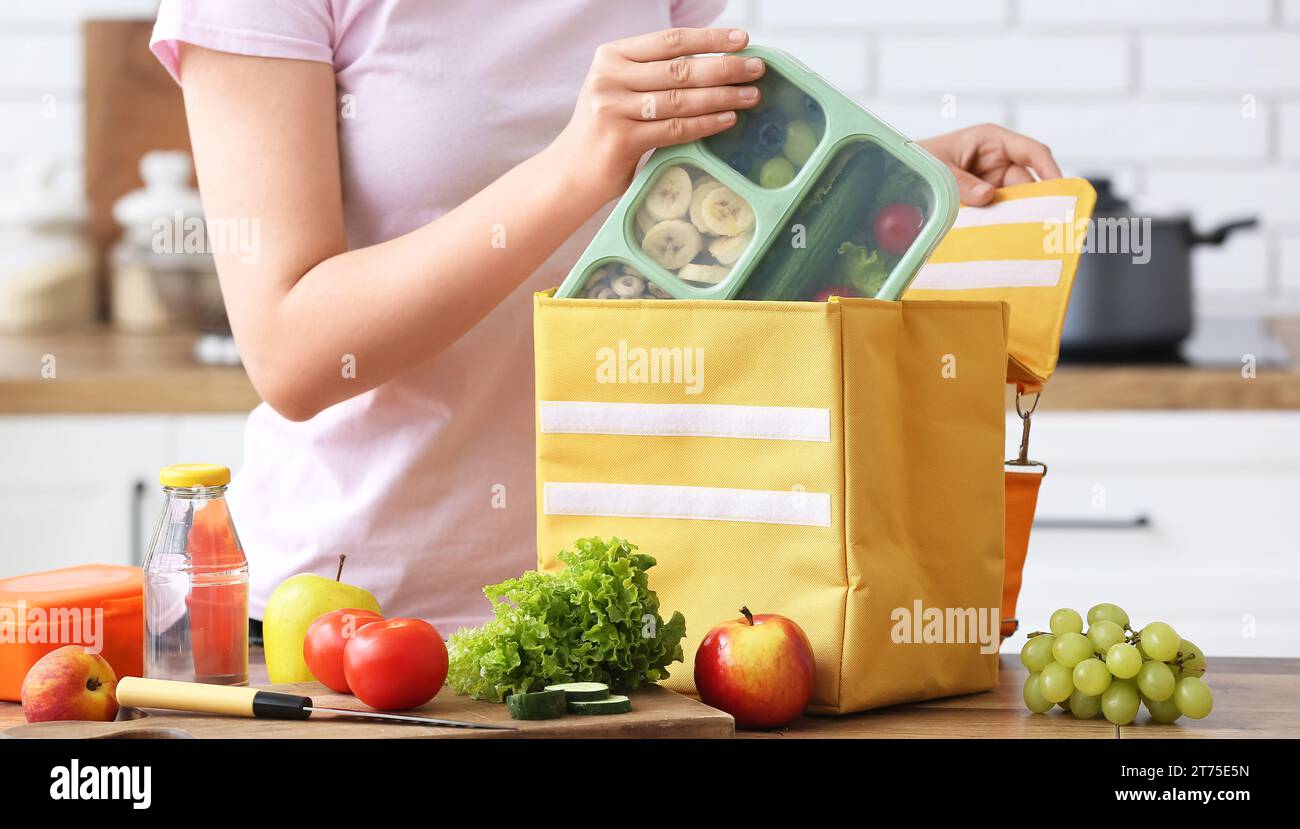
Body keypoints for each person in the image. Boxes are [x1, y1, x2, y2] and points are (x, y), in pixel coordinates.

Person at [150, 1, 1062, 634]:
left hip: (641, 607)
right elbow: (294, 350)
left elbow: (690, 228)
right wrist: (572, 167)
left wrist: (869, 180)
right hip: (365, 629)